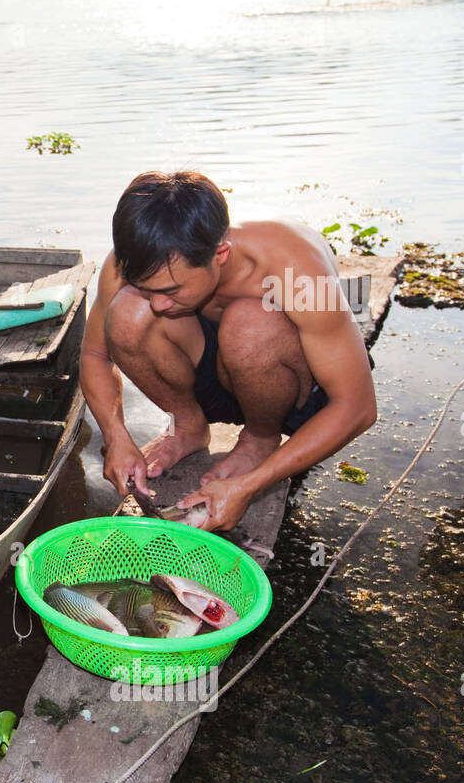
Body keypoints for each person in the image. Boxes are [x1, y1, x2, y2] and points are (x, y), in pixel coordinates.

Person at [79, 170, 377, 532]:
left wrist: (250, 485)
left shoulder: (296, 269)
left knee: (249, 323)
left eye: (171, 290)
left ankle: (260, 438)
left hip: (286, 379)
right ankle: (188, 426)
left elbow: (357, 407)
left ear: (220, 253)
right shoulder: (128, 264)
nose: (158, 303)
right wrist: (116, 437)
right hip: (212, 365)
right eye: (148, 287)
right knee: (127, 311)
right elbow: (95, 355)